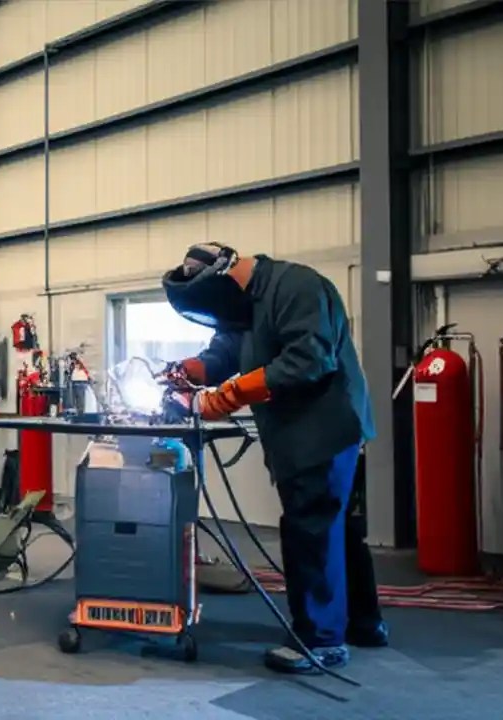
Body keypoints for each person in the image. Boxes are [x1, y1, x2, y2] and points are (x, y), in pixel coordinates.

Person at [161, 242, 388, 675]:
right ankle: (364, 623)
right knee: (336, 529)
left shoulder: (297, 286)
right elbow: (225, 352)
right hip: (300, 433)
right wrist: (190, 370)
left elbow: (308, 359)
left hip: (324, 429)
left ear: (226, 281)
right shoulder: (243, 303)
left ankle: (321, 641)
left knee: (312, 529)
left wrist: (222, 398)